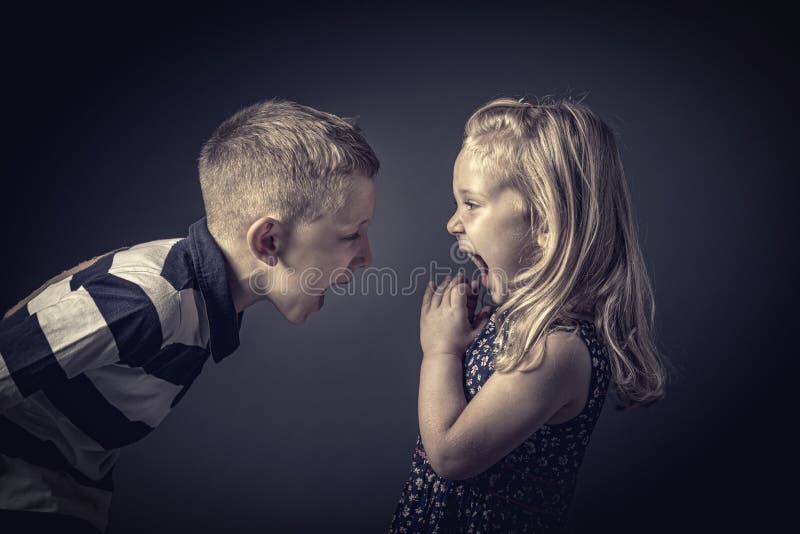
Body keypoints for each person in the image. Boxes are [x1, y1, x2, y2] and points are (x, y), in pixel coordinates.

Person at [0, 99, 378, 533]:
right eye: (351, 235)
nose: (367, 257)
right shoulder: (148, 301)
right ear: (269, 241)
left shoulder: (194, 305)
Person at [389, 97, 668, 533]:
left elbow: (449, 455)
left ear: (543, 219)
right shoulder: (519, 325)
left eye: (472, 204)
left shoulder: (557, 348)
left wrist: (440, 353)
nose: (452, 223)